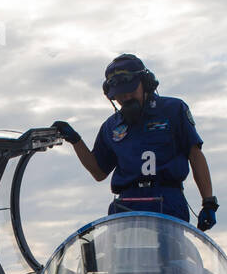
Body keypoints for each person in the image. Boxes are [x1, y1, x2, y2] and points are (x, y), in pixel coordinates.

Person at [53, 54, 218, 230]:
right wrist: (75, 140)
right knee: (122, 257)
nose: (125, 97)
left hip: (167, 198)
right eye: (119, 95)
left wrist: (208, 202)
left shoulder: (173, 109)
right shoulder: (111, 126)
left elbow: (195, 153)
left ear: (146, 83)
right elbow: (99, 172)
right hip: (126, 204)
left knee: (168, 256)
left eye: (130, 90)